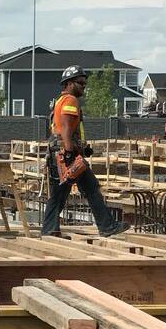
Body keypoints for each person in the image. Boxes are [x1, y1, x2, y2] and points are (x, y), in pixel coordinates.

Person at [40, 65, 128, 238]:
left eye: (84, 83)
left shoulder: (60, 101)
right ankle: (107, 226)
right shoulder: (70, 100)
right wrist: (69, 152)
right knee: (90, 188)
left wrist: (80, 147)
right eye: (80, 83)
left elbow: (66, 128)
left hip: (60, 152)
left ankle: (50, 230)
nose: (83, 86)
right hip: (65, 154)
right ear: (69, 83)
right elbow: (65, 127)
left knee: (61, 193)